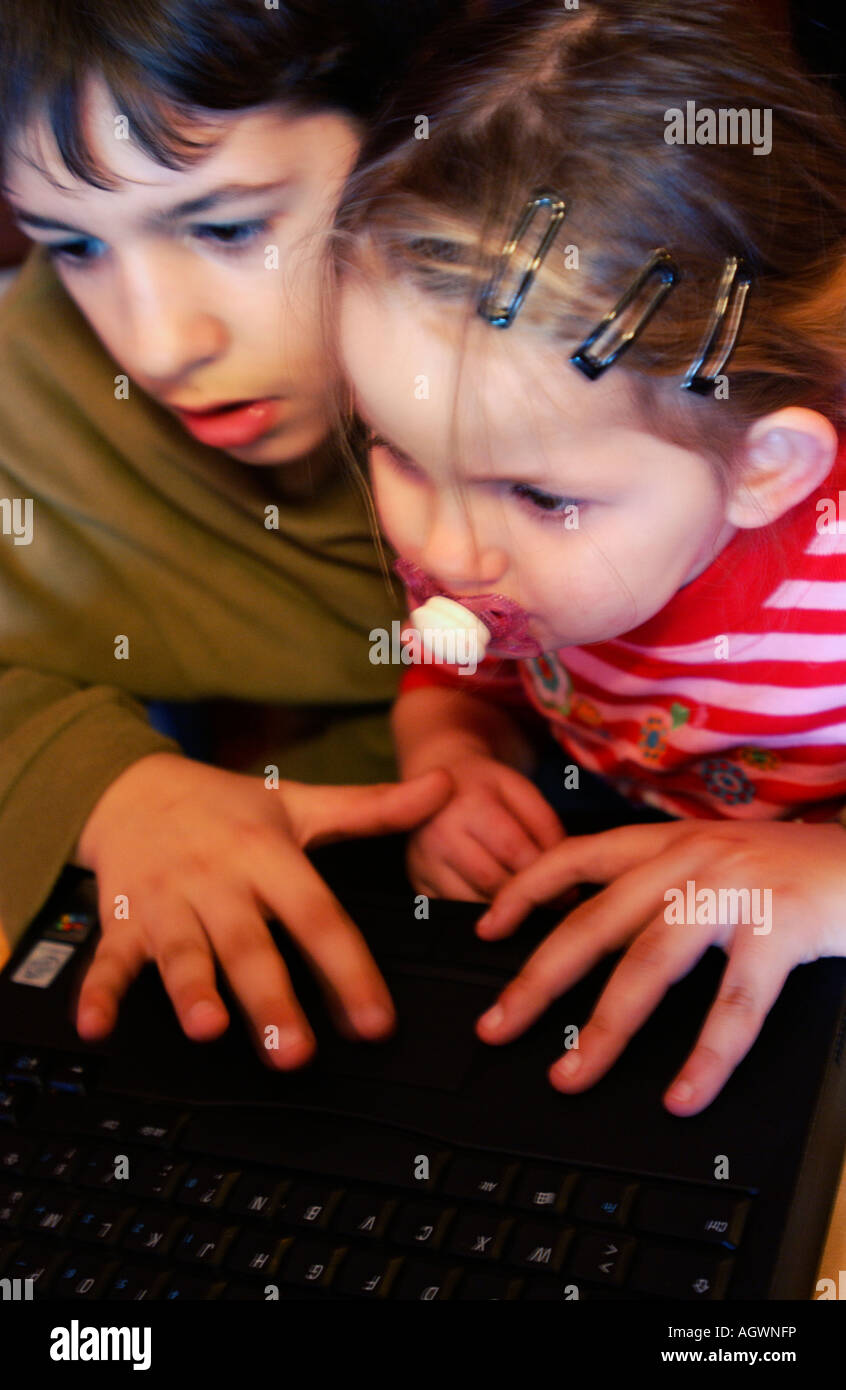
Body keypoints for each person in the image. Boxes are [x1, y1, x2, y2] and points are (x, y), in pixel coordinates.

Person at [331, 0, 846, 1112]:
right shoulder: (483, 537)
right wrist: (456, 756)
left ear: (765, 471)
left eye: (542, 496)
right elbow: (458, 673)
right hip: (605, 868)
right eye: (402, 456)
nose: (447, 548)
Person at [0, 0, 470, 1063]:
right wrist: (112, 785)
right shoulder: (46, 375)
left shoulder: (626, 323)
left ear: (412, 131)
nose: (157, 343)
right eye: (73, 245)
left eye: (226, 227)